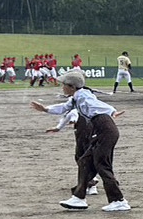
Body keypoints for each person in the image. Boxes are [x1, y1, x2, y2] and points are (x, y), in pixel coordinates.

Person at [31, 70, 131, 211]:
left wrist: (111, 111)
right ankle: (79, 198)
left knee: (102, 164)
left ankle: (119, 200)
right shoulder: (77, 96)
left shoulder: (82, 95)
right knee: (85, 161)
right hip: (102, 129)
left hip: (105, 129)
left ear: (72, 87)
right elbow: (64, 108)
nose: (62, 87)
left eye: (64, 85)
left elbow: (96, 104)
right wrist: (45, 109)